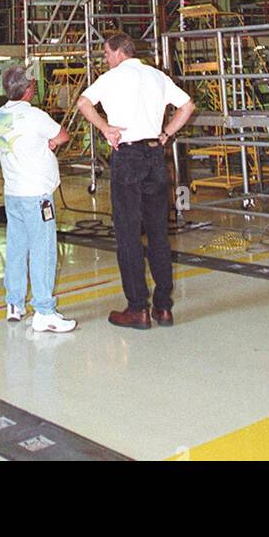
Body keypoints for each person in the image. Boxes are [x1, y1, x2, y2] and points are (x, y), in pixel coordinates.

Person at [77, 33, 195, 330]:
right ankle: (163, 307)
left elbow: (83, 103)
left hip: (128, 157)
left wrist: (105, 128)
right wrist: (166, 134)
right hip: (155, 157)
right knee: (158, 233)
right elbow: (187, 106)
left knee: (128, 234)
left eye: (106, 53)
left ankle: (137, 308)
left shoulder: (112, 77)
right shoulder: (157, 76)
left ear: (118, 53)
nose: (105, 59)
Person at [0, 64, 75, 333]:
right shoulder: (36, 116)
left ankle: (14, 304)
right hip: (37, 196)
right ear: (27, 91)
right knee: (43, 250)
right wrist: (50, 142)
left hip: (13, 194)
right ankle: (44, 311)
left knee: (17, 248)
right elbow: (63, 135)